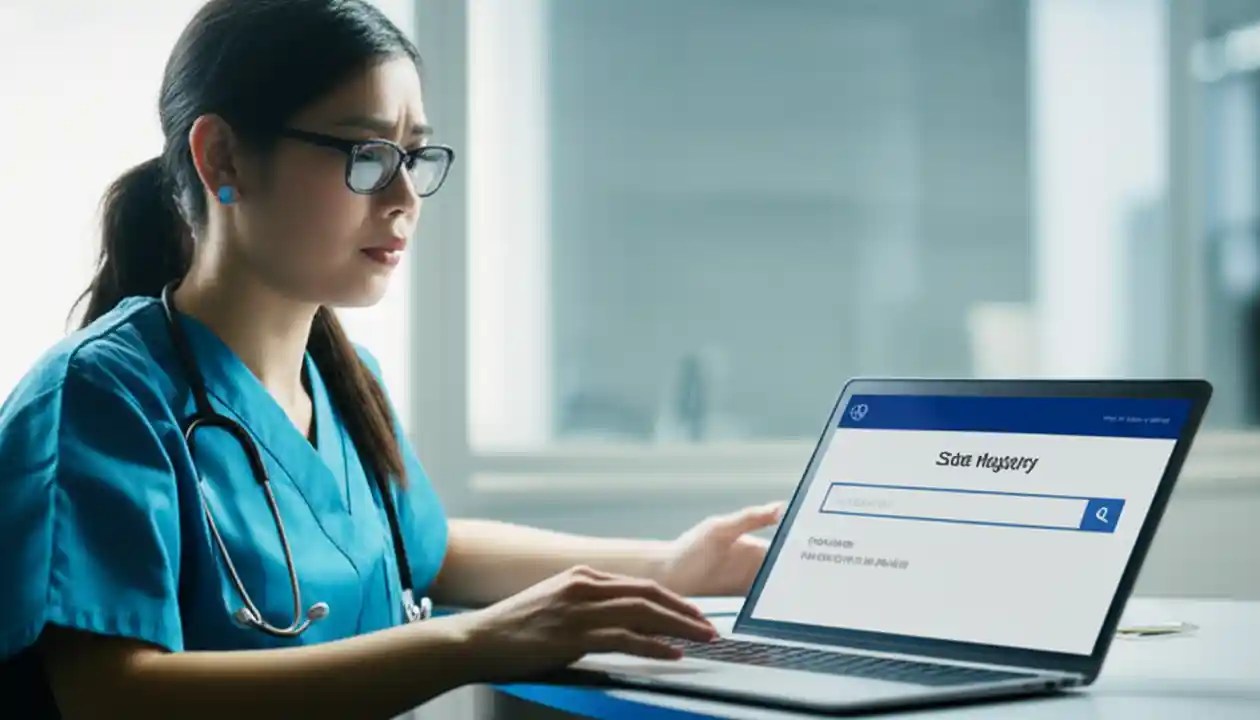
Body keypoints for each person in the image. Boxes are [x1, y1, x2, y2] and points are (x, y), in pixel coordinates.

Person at [0, 1, 783, 717]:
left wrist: (672, 564)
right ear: (224, 159)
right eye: (367, 154)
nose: (405, 197)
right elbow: (109, 692)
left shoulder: (345, 382)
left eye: (414, 155)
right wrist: (468, 645)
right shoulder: (100, 398)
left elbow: (425, 549)